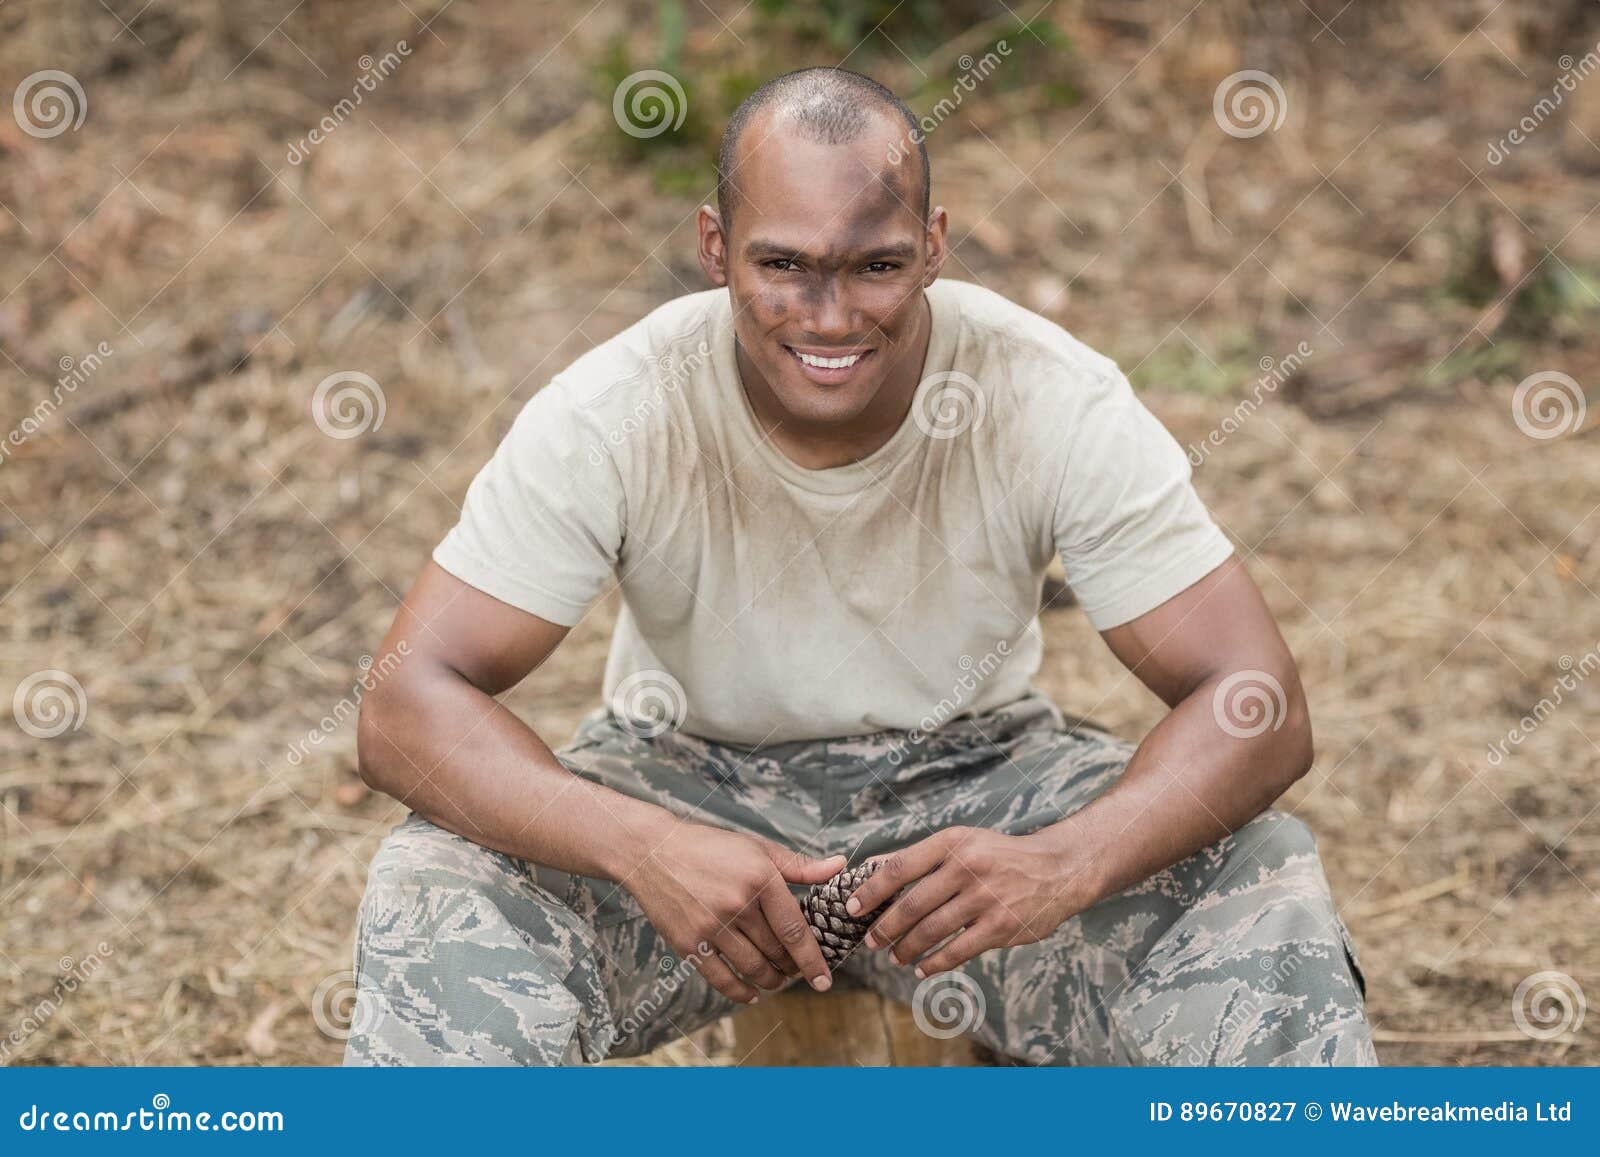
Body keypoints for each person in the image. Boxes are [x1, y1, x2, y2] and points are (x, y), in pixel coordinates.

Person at [343, 67, 1374, 1066]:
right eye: (784, 265)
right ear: (714, 248)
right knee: (437, 883)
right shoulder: (615, 407)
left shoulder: (1047, 391)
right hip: (688, 787)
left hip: (977, 796)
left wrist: (1065, 861)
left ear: (933, 247)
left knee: (1258, 874)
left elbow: (1258, 699)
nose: (830, 317)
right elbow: (401, 706)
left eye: (875, 266)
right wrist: (640, 844)